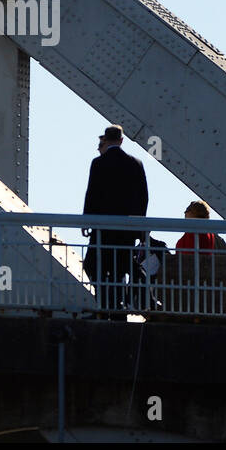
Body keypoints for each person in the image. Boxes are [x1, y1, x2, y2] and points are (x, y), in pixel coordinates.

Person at [81, 125, 148, 315]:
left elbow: (92, 194)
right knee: (119, 271)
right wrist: (139, 226)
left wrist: (87, 220)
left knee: (93, 266)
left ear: (106, 140)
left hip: (103, 229)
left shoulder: (98, 163)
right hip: (127, 229)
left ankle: (106, 301)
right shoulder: (136, 163)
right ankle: (118, 306)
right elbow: (143, 198)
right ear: (121, 140)